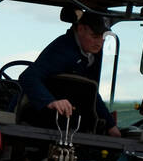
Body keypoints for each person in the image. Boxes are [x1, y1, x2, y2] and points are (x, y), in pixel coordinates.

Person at [18, 9, 122, 137]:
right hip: (42, 120)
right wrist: (50, 101)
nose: (99, 43)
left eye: (103, 38)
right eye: (95, 36)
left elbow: (91, 93)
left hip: (70, 121)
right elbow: (28, 76)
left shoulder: (91, 54)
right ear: (80, 29)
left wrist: (111, 126)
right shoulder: (63, 49)